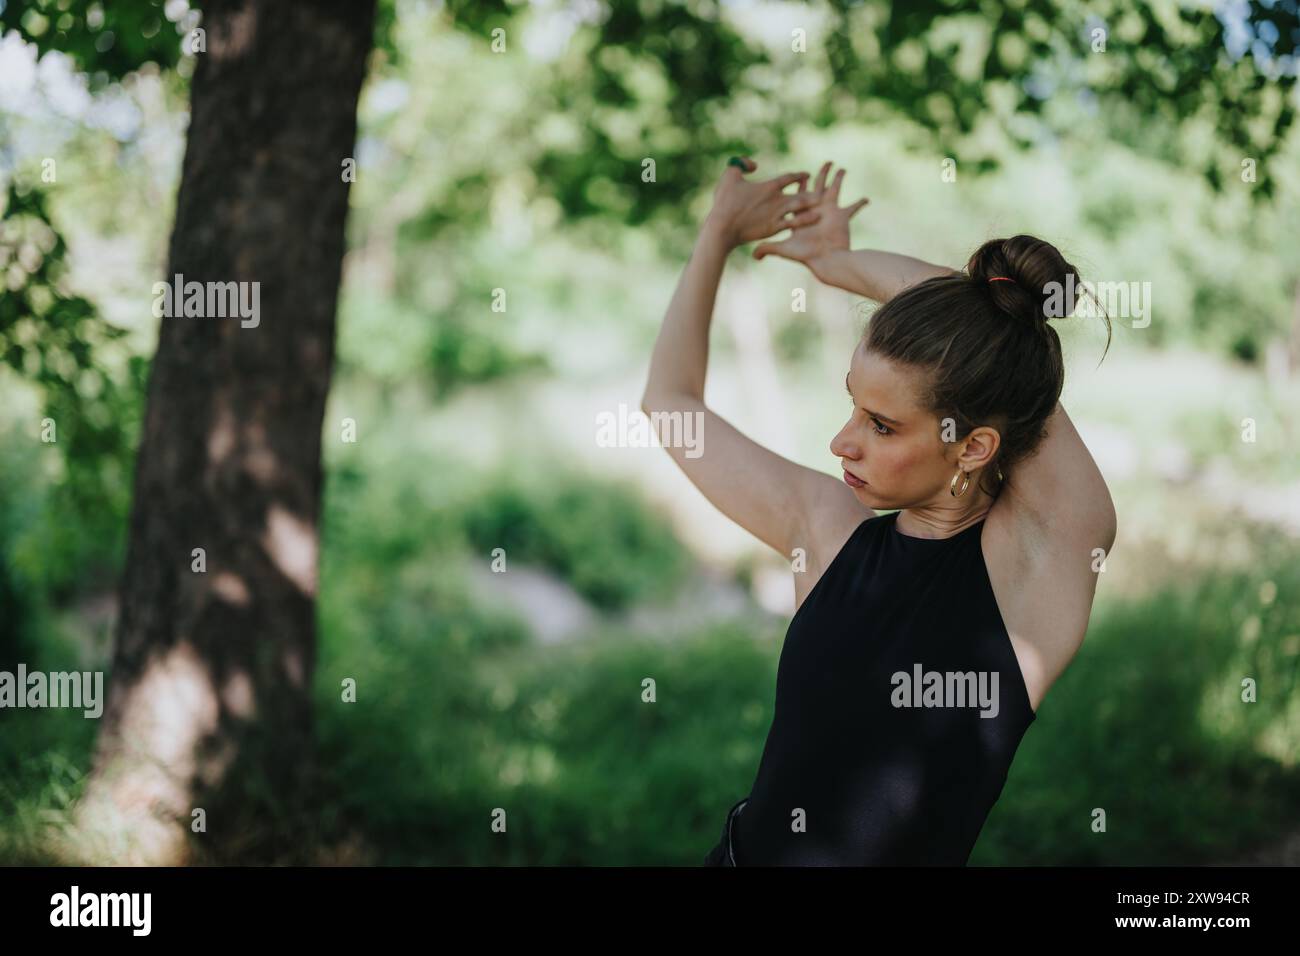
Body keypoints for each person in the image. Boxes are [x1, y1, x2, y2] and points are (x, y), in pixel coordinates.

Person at [643, 158, 1118, 866]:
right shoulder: (827, 529)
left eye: (883, 426)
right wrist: (717, 233)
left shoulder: (1033, 569)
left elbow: (1000, 344)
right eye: (852, 406)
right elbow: (670, 407)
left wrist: (844, 265)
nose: (842, 441)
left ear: (973, 446)